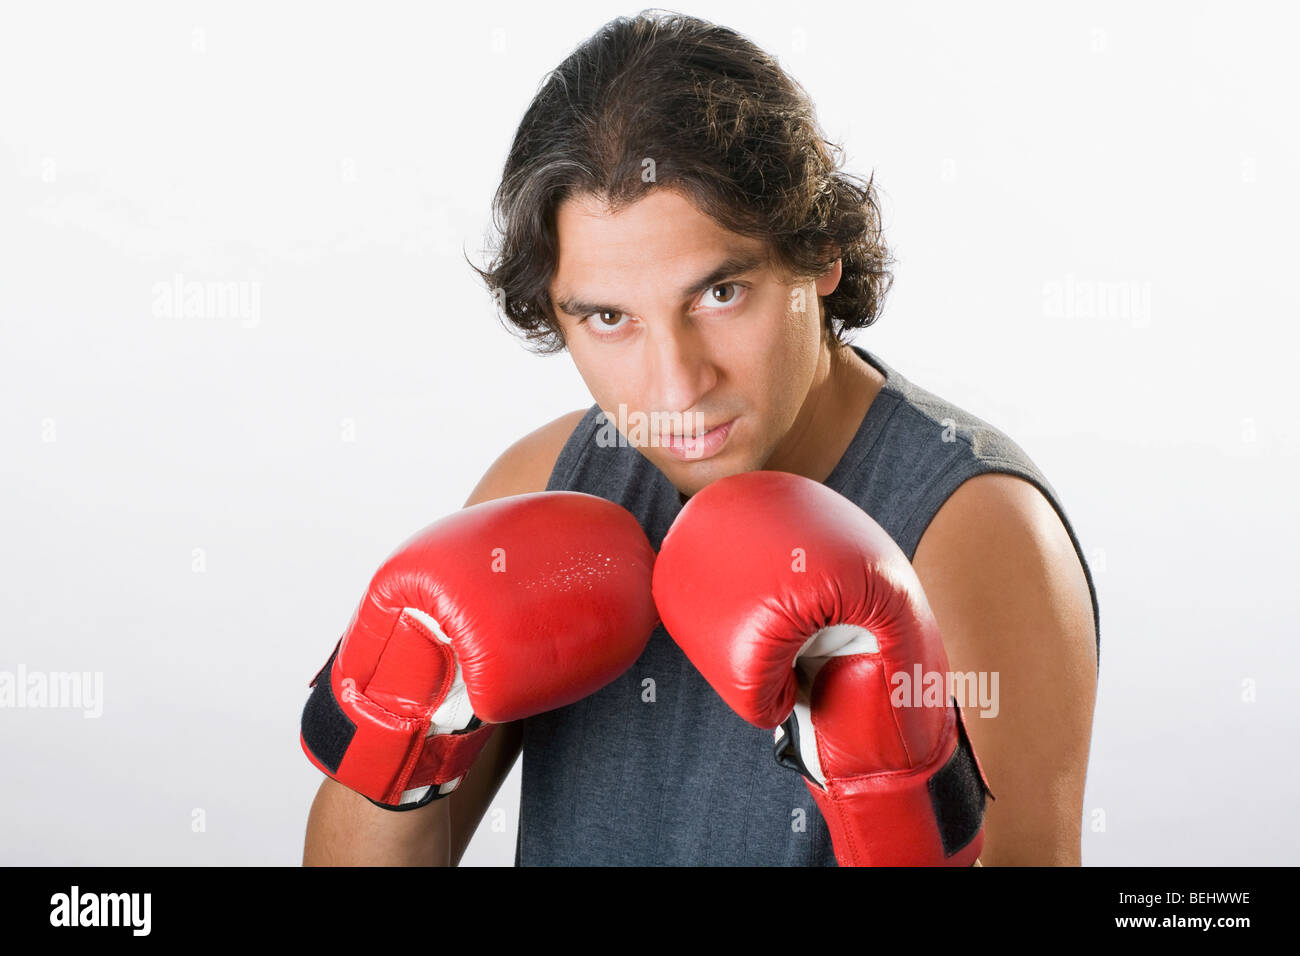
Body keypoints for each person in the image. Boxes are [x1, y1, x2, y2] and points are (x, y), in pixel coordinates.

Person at [301, 10, 1099, 866]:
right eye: (609, 318)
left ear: (819, 250)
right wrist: (407, 721)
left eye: (719, 294)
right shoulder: (546, 483)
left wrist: (890, 793)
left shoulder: (977, 536)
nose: (675, 387)